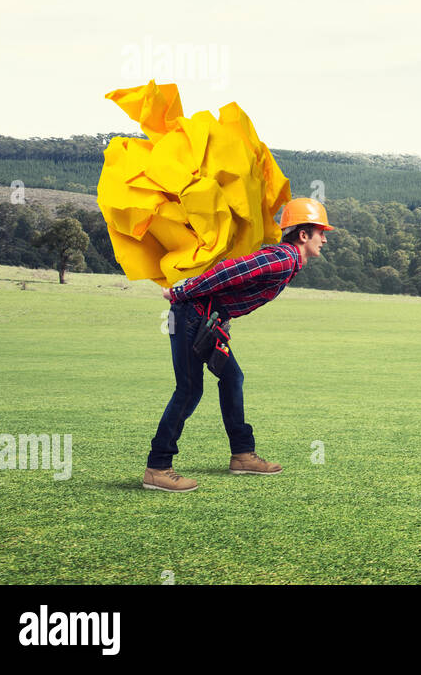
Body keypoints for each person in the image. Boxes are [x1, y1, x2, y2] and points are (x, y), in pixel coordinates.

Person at [142, 198, 333, 492]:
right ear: (304, 235)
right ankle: (157, 467)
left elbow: (235, 286)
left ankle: (242, 455)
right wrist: (183, 292)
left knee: (232, 377)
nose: (325, 237)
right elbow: (230, 271)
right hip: (191, 315)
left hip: (205, 319)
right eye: (321, 231)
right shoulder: (283, 258)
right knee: (189, 389)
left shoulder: (289, 262)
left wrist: (222, 319)